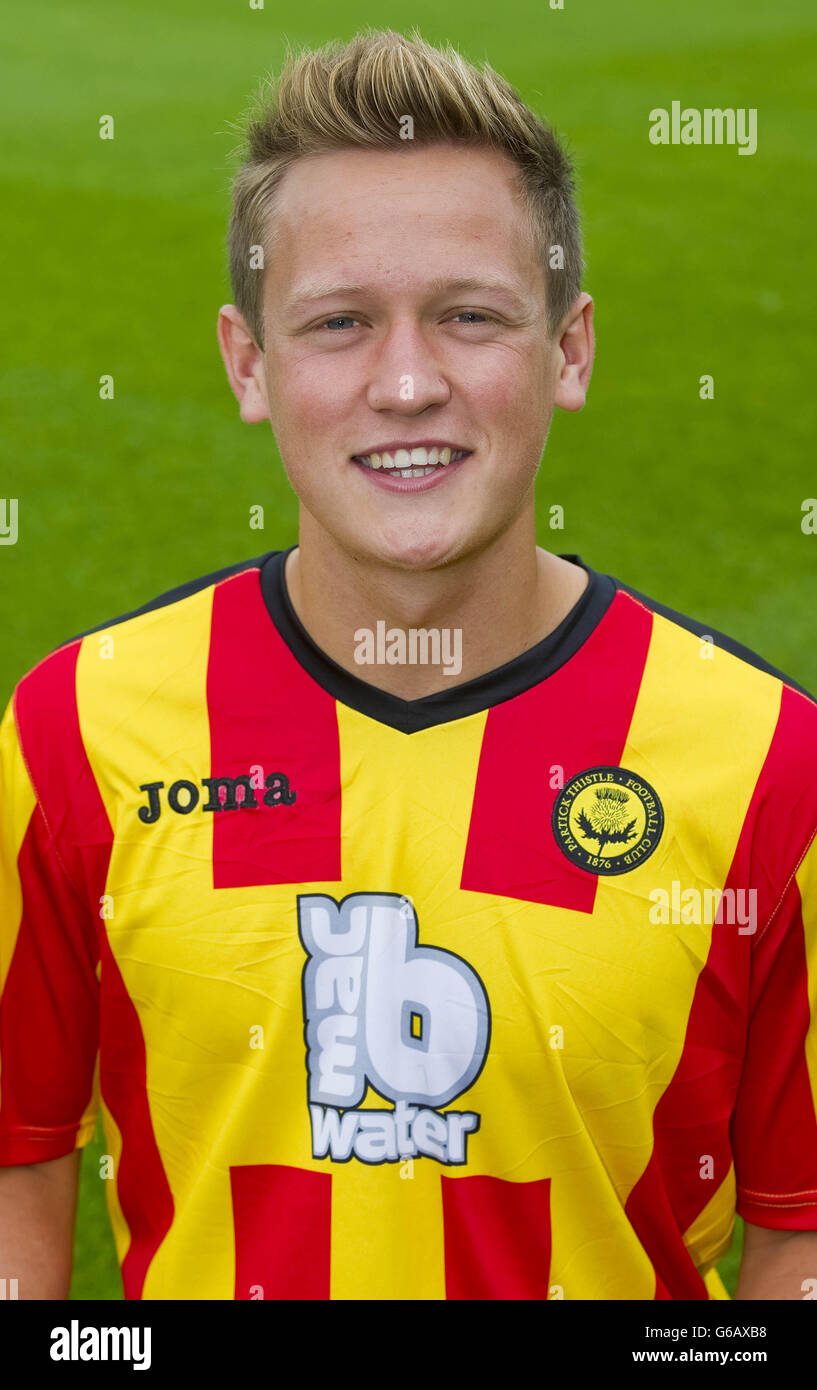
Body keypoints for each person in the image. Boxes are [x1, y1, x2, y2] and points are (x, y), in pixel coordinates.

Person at [1, 28, 816, 1302]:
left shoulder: (771, 763)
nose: (404, 383)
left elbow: (796, 1229)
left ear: (570, 348)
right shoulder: (78, 730)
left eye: (470, 316)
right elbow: (20, 1153)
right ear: (248, 365)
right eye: (337, 323)